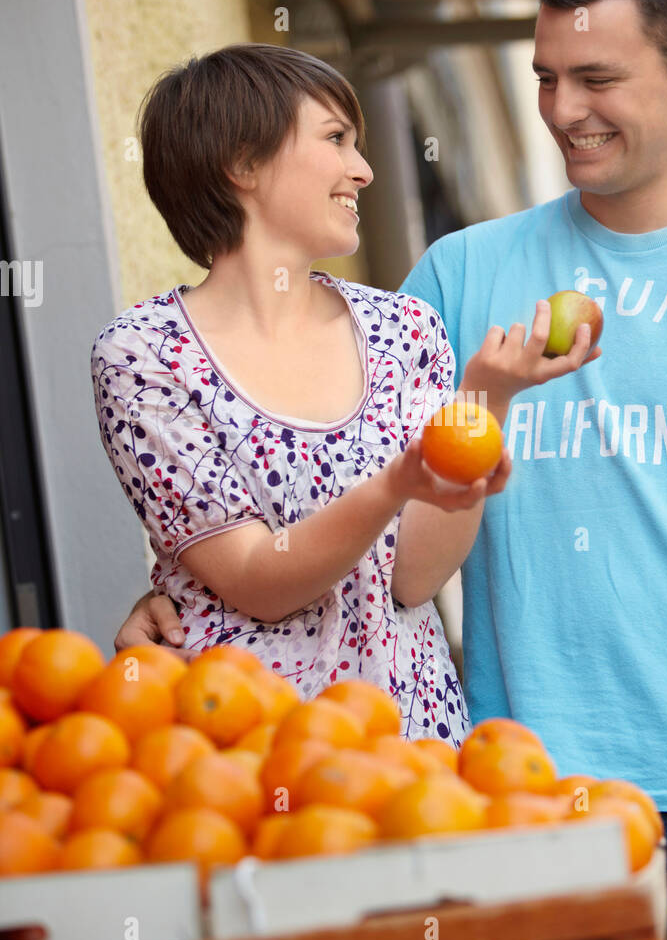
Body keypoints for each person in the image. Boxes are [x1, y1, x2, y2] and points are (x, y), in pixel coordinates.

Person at [116, 0, 667, 940]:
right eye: (545, 78)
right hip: (502, 798)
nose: (564, 109)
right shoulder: (455, 280)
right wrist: (178, 581)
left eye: (598, 79)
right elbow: (327, 455)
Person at [92, 44, 598, 745]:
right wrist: (393, 486)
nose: (363, 170)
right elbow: (256, 580)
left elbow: (415, 577)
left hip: (412, 748)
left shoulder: (404, 329)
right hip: (240, 759)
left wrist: (485, 402)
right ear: (242, 163)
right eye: (335, 140)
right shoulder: (144, 357)